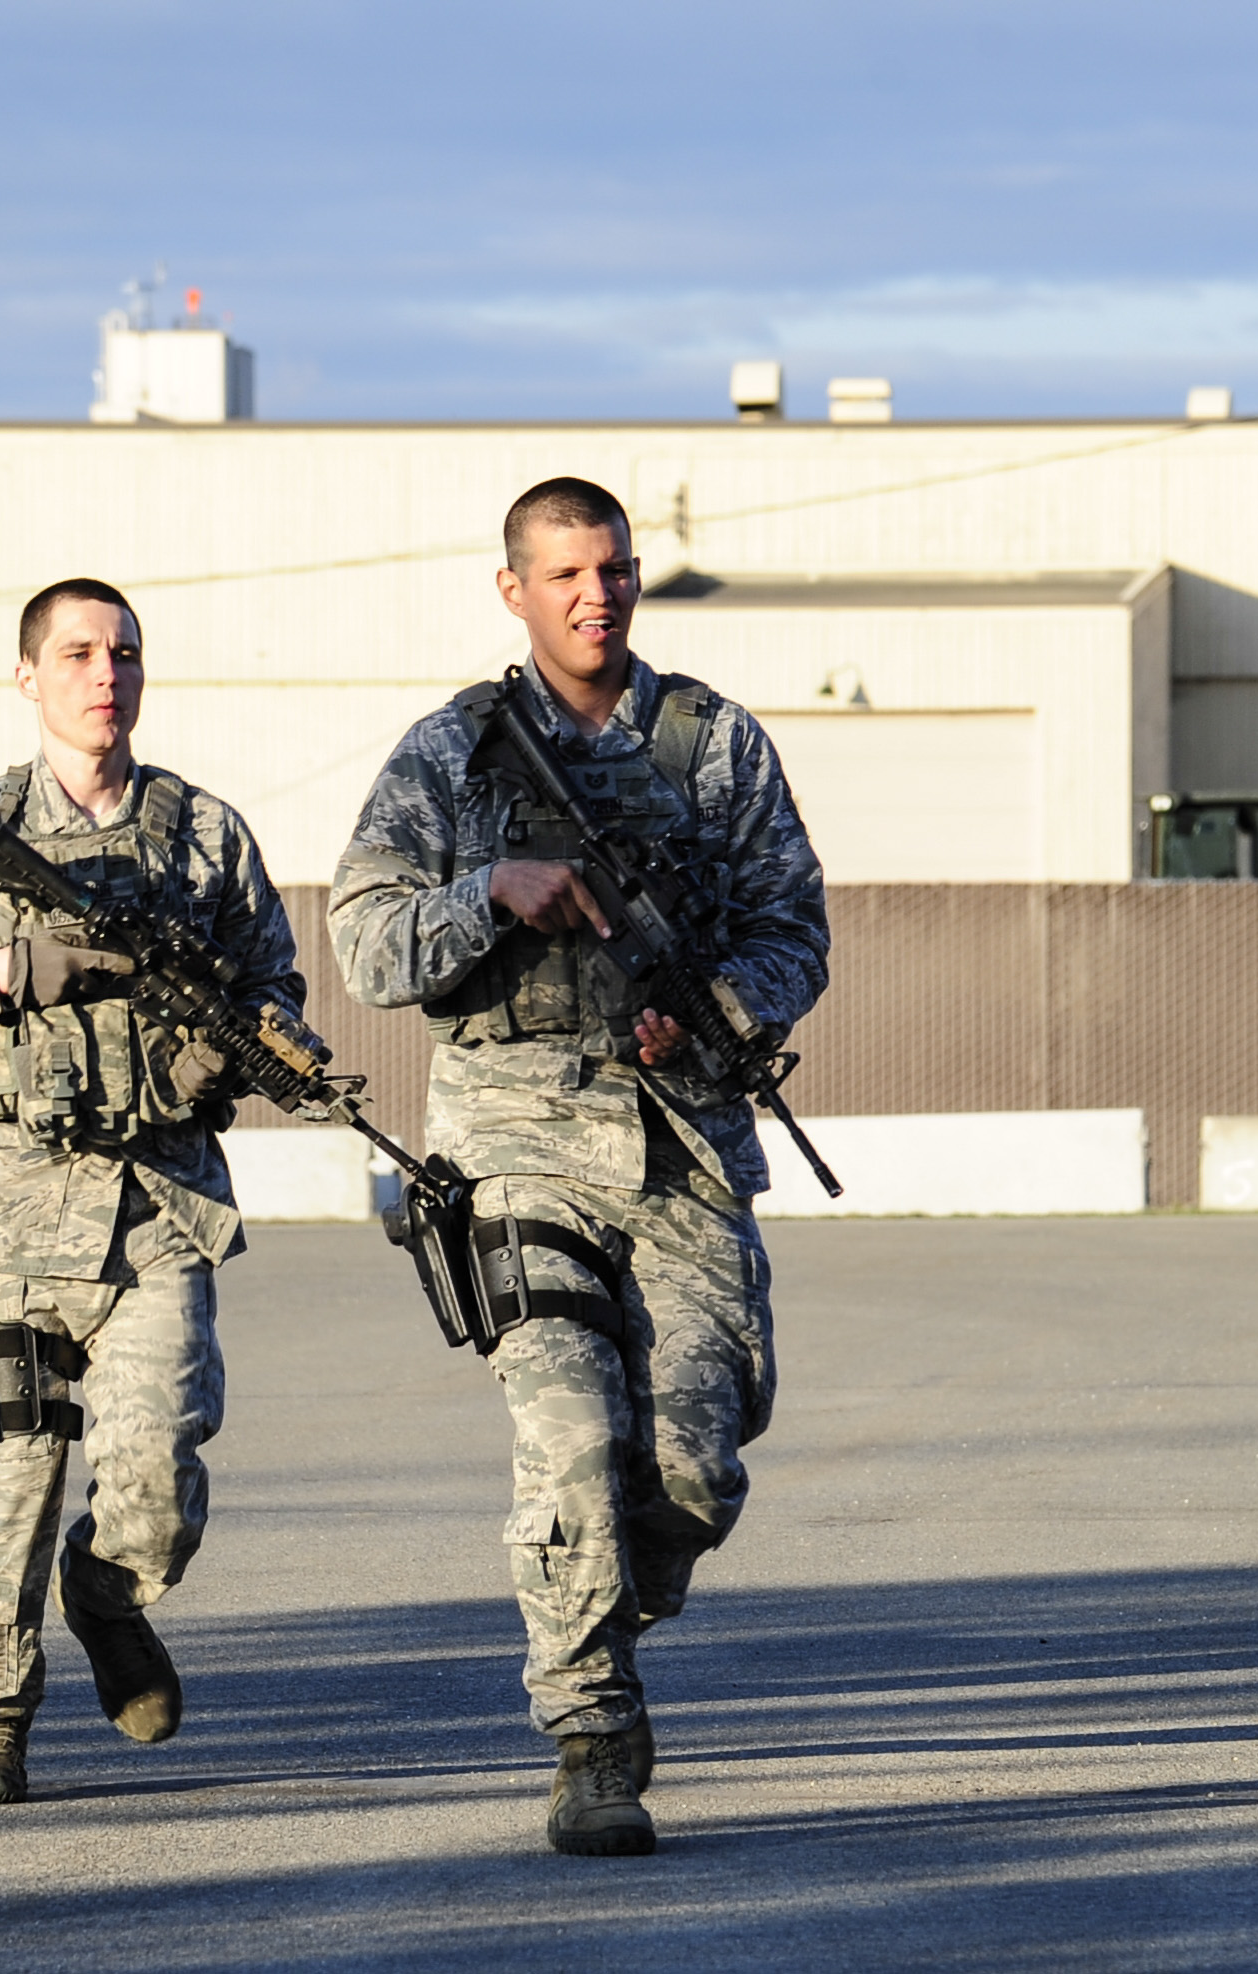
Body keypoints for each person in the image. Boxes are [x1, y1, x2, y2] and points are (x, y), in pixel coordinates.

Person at [328, 477, 830, 1855]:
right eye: (560, 573)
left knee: (689, 1466)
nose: (590, 594)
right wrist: (482, 895)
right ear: (513, 589)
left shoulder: (711, 743)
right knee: (565, 1435)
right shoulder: (452, 753)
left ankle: (606, 1596)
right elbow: (365, 948)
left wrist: (716, 1014)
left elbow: (793, 928)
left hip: (679, 1145)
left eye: (608, 568)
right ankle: (591, 1734)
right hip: (512, 1147)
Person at [0, 577, 305, 1806]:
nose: (101, 674)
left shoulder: (202, 833)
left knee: (154, 1481)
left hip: (156, 1210)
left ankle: (107, 1594)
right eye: (74, 654)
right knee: (6, 1483)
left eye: (122, 653)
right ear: (28, 678)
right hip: (5, 1211)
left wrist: (247, 1046)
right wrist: (1, 971)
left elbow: (277, 987)